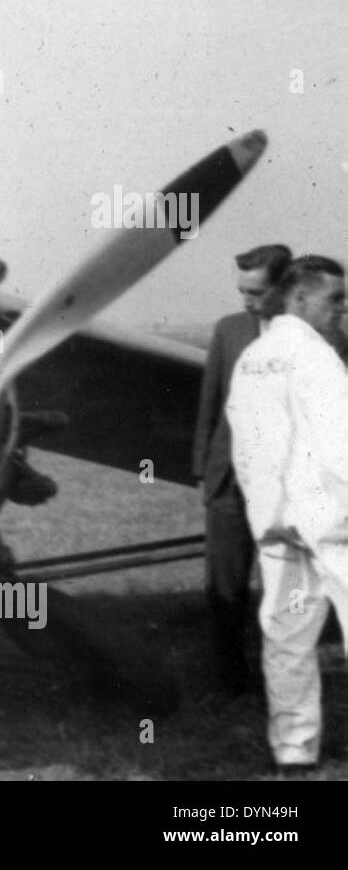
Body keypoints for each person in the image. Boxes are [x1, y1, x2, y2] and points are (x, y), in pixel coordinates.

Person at [226, 255, 348, 773]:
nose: (342, 309)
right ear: (300, 298)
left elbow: (244, 445)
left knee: (287, 632)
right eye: (334, 299)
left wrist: (265, 509)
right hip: (329, 517)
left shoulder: (253, 357)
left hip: (275, 518)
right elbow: (340, 445)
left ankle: (294, 748)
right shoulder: (317, 357)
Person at [192, 243, 292, 694]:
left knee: (286, 585)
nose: (247, 301)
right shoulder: (228, 330)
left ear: (283, 288)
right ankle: (229, 679)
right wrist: (204, 468)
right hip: (228, 479)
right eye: (242, 291)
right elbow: (210, 400)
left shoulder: (309, 337)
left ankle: (283, 676)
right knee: (225, 582)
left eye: (256, 292)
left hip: (285, 482)